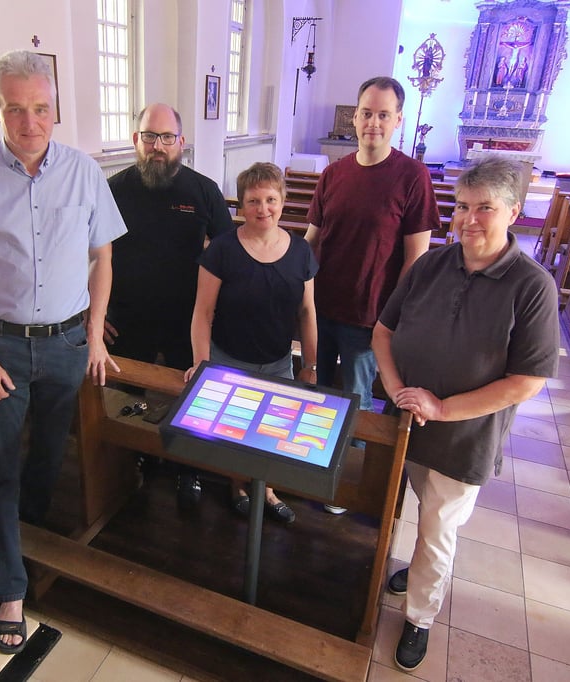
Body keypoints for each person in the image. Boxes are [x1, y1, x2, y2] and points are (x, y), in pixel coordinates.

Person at [0, 50, 126, 654]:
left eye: (41, 108)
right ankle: (10, 588)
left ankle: (30, 536)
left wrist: (93, 335)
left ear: (56, 109)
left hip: (68, 344)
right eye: (15, 109)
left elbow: (103, 258)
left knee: (49, 453)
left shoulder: (84, 171)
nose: (30, 122)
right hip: (1, 347)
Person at [371, 156, 559, 672]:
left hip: (464, 438)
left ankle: (419, 617)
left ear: (514, 212)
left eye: (485, 208)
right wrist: (397, 390)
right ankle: (414, 571)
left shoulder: (532, 285)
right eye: (461, 206)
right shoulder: (430, 265)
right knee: (400, 505)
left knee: (438, 529)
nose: (468, 219)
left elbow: (527, 381)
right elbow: (383, 332)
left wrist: (441, 408)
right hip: (405, 422)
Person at [305, 76, 439, 513]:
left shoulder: (412, 176)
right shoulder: (334, 173)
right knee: (319, 389)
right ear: (355, 117)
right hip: (322, 306)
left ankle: (345, 480)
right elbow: (311, 240)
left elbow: (416, 258)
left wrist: (392, 319)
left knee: (357, 399)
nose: (373, 123)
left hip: (370, 315)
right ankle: (314, 466)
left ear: (398, 119)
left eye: (383, 114)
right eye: (366, 113)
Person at [106, 103, 235, 509]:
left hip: (187, 318)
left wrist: (220, 314)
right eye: (149, 136)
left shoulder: (203, 190)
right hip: (128, 317)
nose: (157, 146)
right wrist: (96, 311)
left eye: (166, 137)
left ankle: (187, 467)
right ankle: (134, 457)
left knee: (190, 394)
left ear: (181, 141)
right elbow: (90, 253)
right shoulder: (112, 189)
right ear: (136, 140)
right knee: (128, 396)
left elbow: (228, 253)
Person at [185, 162, 318, 525]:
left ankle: (268, 490)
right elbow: (203, 312)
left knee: (274, 431)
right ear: (241, 205)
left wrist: (310, 365)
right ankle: (238, 486)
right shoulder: (222, 250)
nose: (263, 209)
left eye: (271, 200)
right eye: (253, 201)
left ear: (282, 201)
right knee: (236, 432)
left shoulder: (300, 252)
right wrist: (201, 363)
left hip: (278, 361)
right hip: (230, 358)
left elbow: (307, 312)